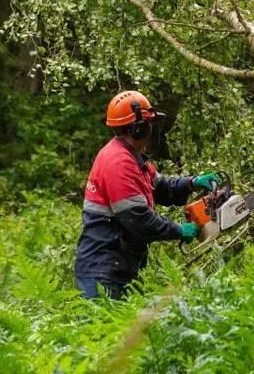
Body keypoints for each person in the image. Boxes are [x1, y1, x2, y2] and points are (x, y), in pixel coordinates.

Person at [73, 90, 220, 300]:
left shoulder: (133, 159)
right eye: (149, 124)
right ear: (139, 128)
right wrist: (179, 230)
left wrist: (191, 183)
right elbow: (138, 219)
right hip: (103, 270)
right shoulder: (118, 163)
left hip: (119, 265)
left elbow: (159, 186)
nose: (153, 129)